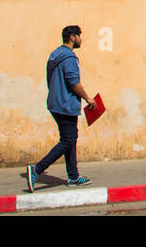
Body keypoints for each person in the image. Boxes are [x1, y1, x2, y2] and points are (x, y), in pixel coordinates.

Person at [26, 25, 95, 190]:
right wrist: (88, 98)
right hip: (66, 104)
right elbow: (74, 82)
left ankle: (73, 176)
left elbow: (50, 79)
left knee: (71, 137)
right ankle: (37, 169)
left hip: (55, 102)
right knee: (67, 140)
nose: (80, 39)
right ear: (72, 37)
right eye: (79, 36)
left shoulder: (54, 55)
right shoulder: (69, 58)